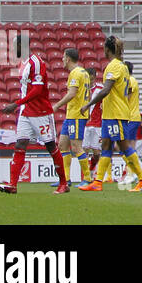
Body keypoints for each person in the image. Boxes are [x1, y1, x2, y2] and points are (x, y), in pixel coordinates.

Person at [0, 42, 70, 194]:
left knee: (50, 147)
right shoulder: (23, 63)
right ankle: (13, 185)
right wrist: (20, 106)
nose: (14, 50)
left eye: (16, 47)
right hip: (25, 112)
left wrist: (16, 103)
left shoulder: (37, 62)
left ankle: (63, 183)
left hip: (40, 112)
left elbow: (37, 89)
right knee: (20, 144)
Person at [79, 35, 142, 192]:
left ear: (107, 49)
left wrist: (88, 105)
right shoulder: (122, 66)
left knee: (124, 146)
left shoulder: (114, 66)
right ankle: (98, 182)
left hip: (116, 114)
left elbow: (106, 90)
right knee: (106, 146)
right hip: (110, 114)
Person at [52, 47, 93, 186]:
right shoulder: (84, 72)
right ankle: (66, 179)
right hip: (72, 115)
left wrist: (57, 106)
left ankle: (87, 178)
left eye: (63, 57)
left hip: (76, 115)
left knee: (76, 147)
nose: (62, 60)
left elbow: (72, 94)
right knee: (63, 145)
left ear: (68, 58)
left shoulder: (75, 73)